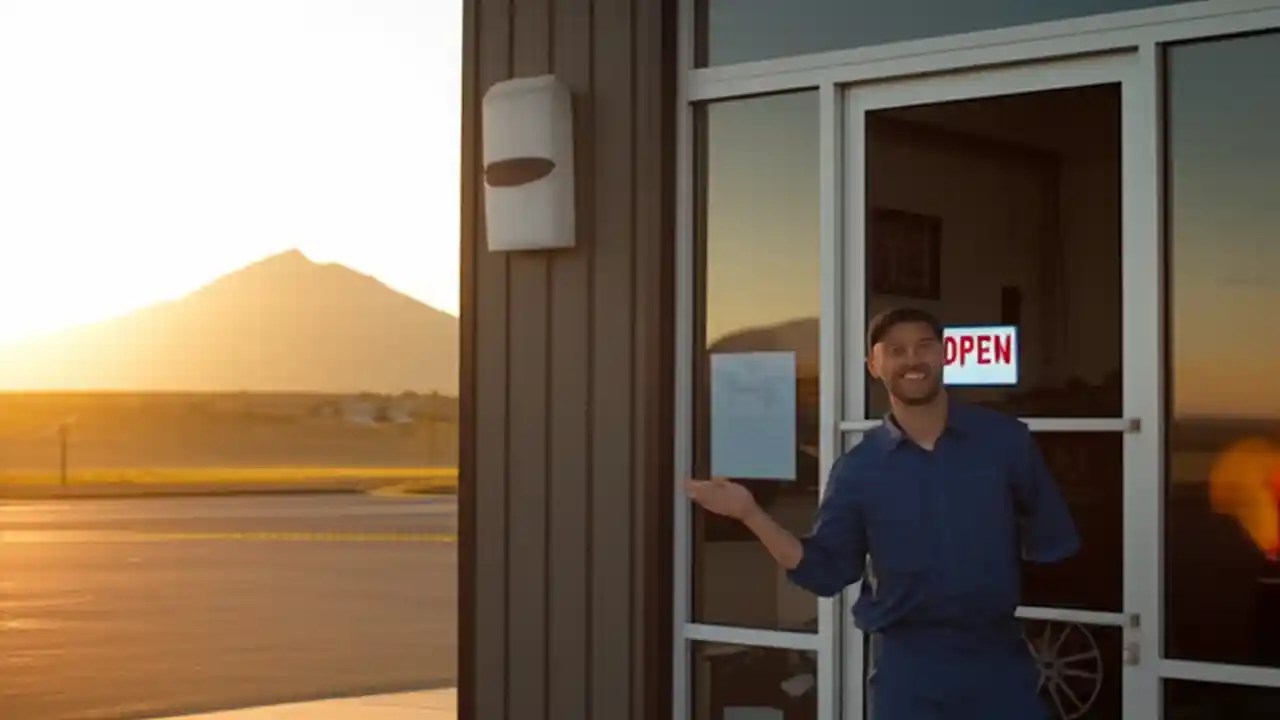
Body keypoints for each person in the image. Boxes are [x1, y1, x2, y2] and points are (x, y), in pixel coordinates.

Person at [686, 306, 1080, 720]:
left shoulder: (1004, 442)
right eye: (895, 350)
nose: (912, 359)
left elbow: (1053, 543)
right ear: (874, 365)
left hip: (1000, 667)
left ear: (945, 354)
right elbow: (825, 569)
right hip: (909, 675)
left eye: (924, 346)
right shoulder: (859, 470)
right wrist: (750, 513)